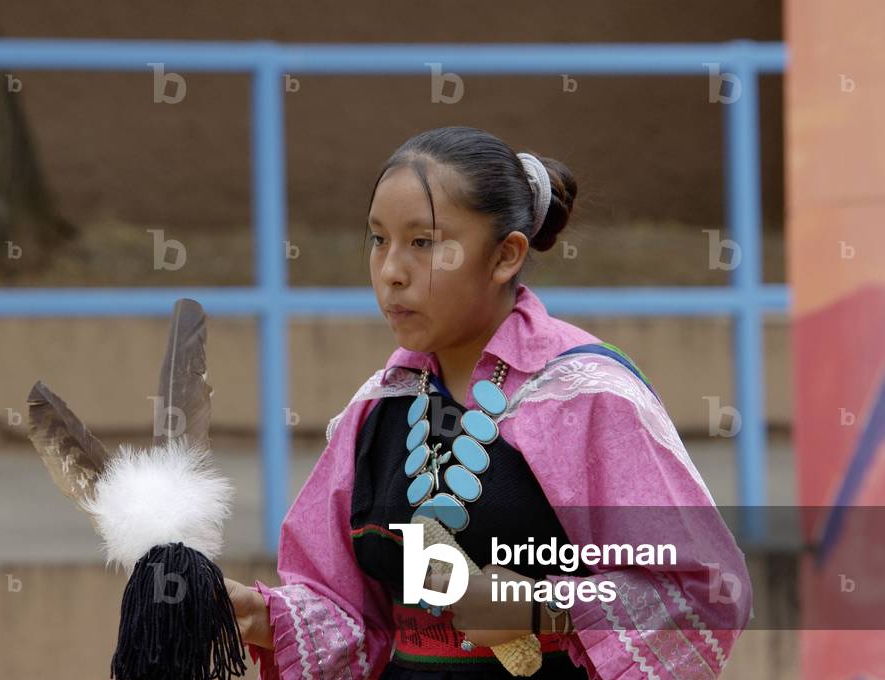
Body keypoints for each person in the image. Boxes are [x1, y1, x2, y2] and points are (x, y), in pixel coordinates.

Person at [223, 126, 752, 679]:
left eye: (424, 243)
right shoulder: (378, 408)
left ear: (505, 255)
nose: (391, 272)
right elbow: (352, 613)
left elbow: (704, 589)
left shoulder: (584, 396)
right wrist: (261, 614)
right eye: (379, 240)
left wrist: (545, 611)